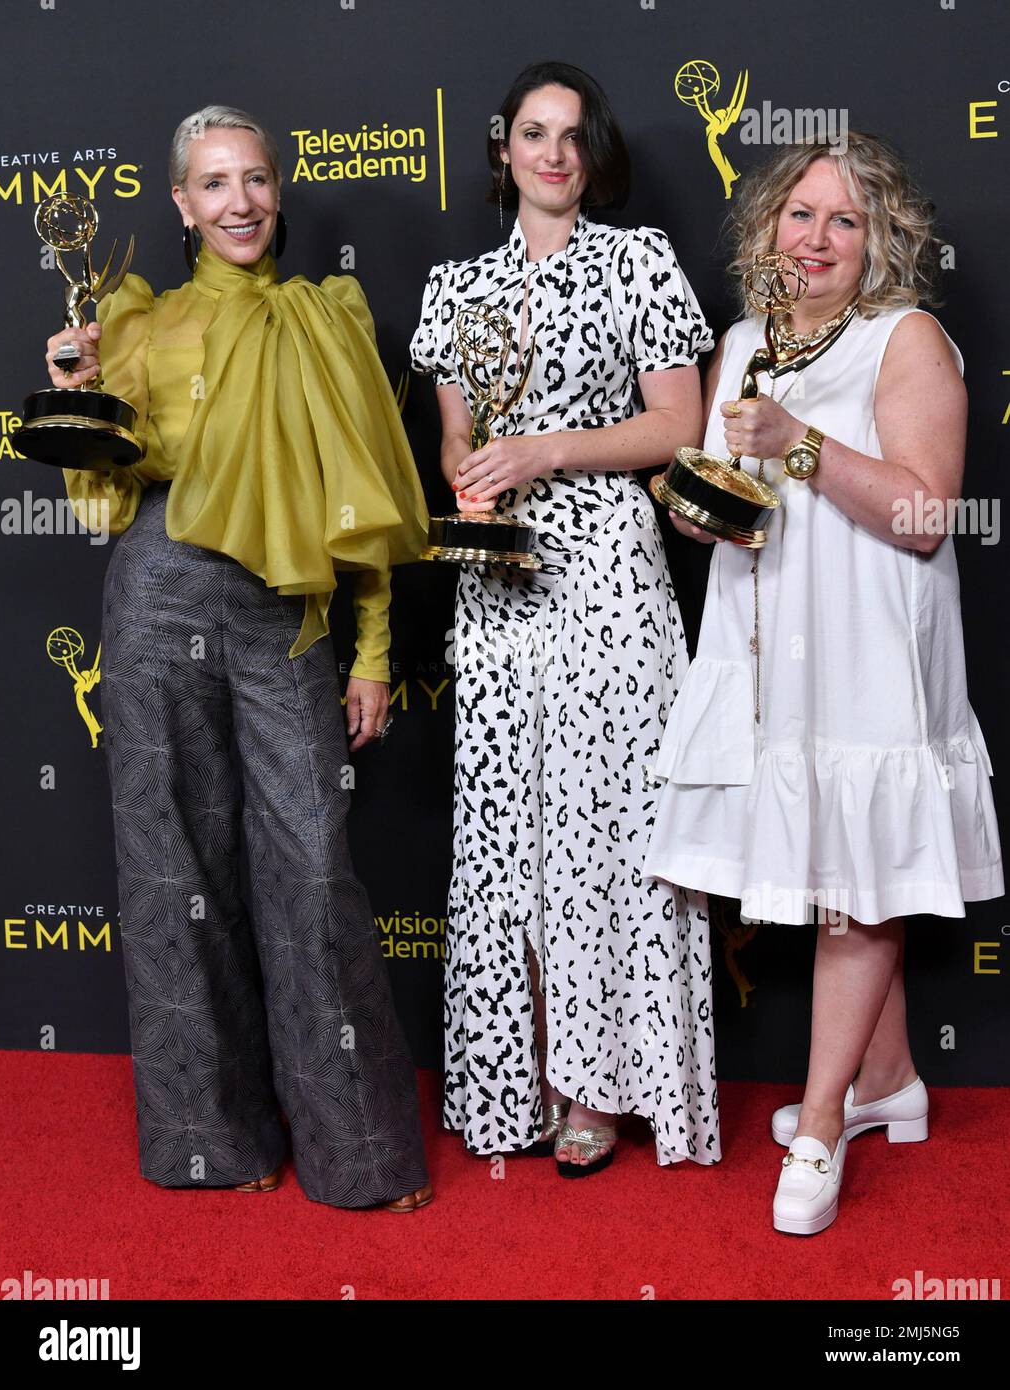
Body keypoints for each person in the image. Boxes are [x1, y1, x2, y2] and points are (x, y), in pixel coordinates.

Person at [53, 105, 433, 1212]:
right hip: (155, 594)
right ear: (181, 204)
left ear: (278, 191)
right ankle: (208, 1142)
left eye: (256, 181)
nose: (239, 204)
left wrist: (371, 654)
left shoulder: (328, 321)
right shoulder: (133, 325)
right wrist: (79, 396)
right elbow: (102, 497)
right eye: (214, 185)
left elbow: (359, 505)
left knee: (313, 872)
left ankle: (358, 1155)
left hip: (285, 617)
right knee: (176, 877)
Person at [646, 133, 1003, 1233]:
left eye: (844, 220)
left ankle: (815, 1124)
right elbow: (715, 503)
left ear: (879, 239)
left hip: (868, 647)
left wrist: (797, 442)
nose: (817, 238)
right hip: (766, 647)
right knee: (830, 866)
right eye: (800, 215)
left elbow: (923, 514)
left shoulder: (907, 339)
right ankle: (887, 1081)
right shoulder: (746, 340)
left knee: (856, 874)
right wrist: (692, 503)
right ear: (767, 229)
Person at [410, 62, 720, 1175]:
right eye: (531, 133)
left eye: (570, 134)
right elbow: (452, 438)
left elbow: (675, 425)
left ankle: (601, 1086)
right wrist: (472, 479)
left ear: (592, 153)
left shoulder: (637, 261)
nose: (551, 152)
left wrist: (544, 450)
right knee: (510, 835)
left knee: (605, 826)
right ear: (500, 150)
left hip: (607, 576)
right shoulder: (454, 287)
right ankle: (529, 1067)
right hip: (497, 589)